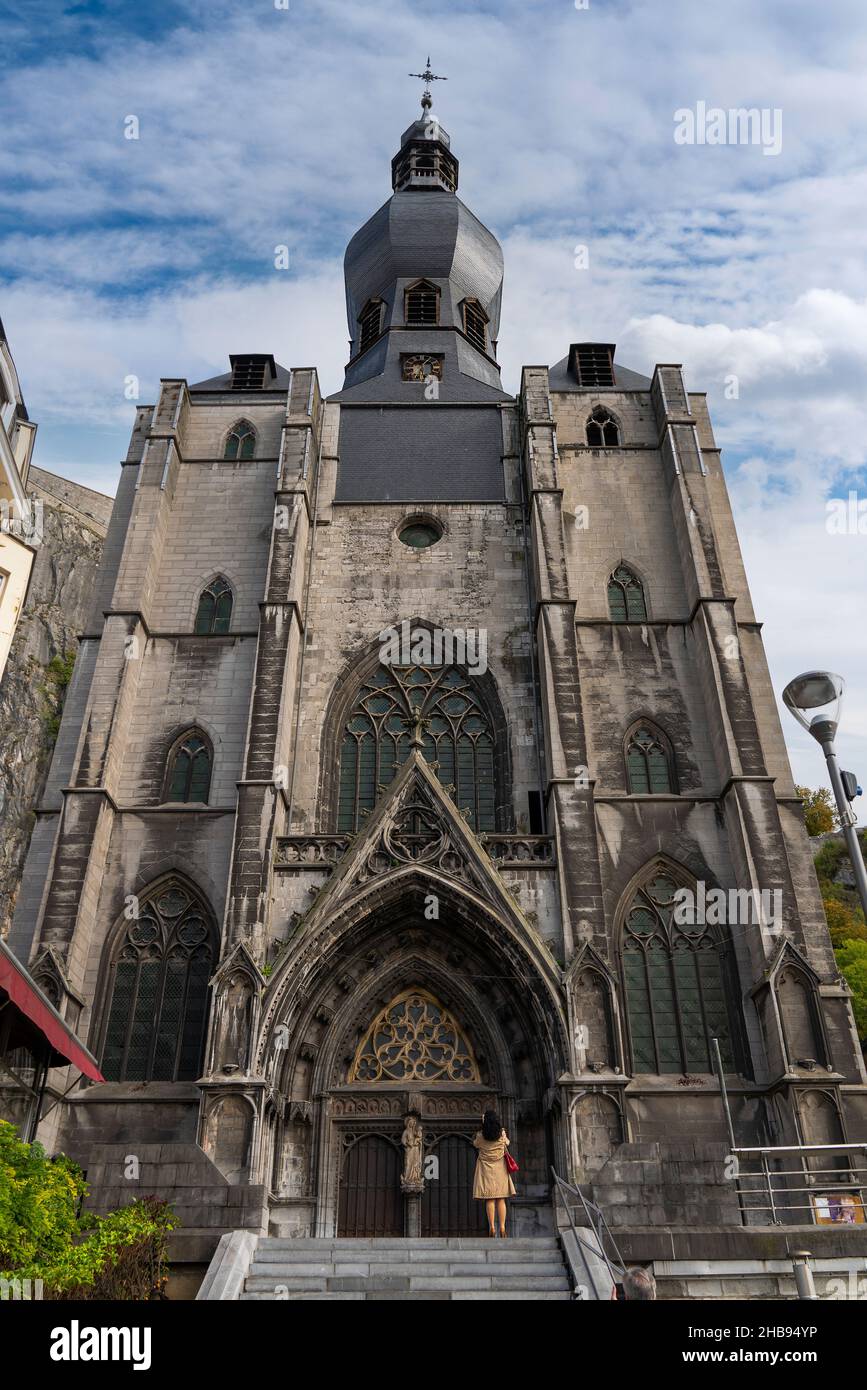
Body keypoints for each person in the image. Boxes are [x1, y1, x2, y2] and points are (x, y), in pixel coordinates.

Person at [472, 1109, 515, 1237]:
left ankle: (492, 1226)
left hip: (486, 1169)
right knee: (501, 1199)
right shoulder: (501, 1134)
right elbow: (507, 1143)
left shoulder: (480, 1136)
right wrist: (504, 1135)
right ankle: (502, 1227)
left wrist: (482, 1123)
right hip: (500, 1168)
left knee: (490, 1199)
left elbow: (475, 1144)